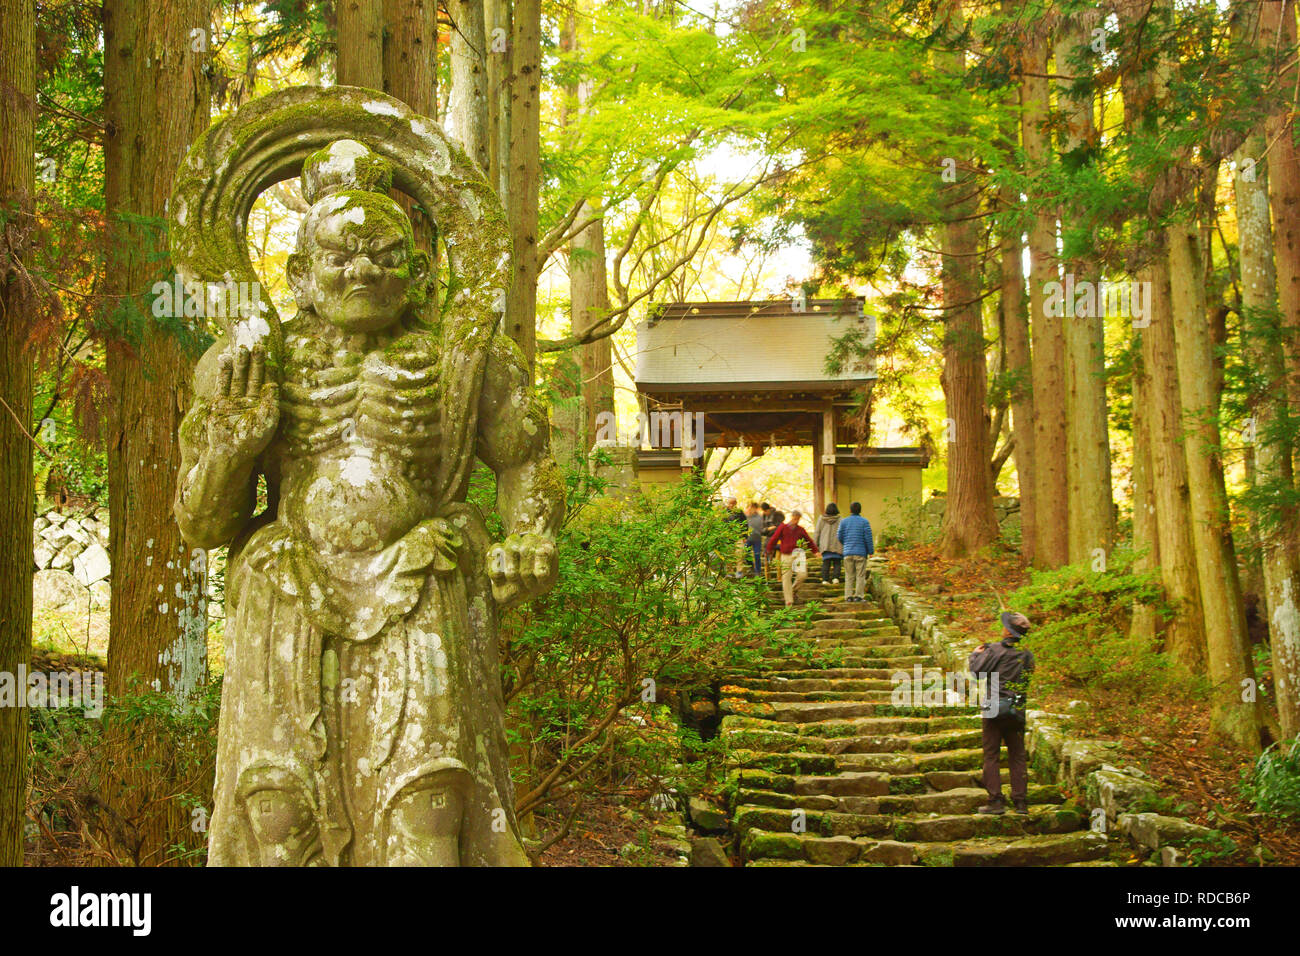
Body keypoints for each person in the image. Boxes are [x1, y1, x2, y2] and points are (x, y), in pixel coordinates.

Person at [968, 612, 1036, 815]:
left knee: (991, 755)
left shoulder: (996, 650)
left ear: (1008, 631)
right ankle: (1021, 802)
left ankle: (996, 801)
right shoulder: (1026, 654)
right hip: (1016, 709)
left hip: (994, 708)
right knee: (1017, 756)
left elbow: (976, 673)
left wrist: (974, 655)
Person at [765, 509, 819, 606]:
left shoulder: (801, 530)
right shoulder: (783, 527)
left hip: (798, 554)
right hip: (786, 555)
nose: (796, 520)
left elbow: (809, 541)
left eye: (798, 519)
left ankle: (792, 590)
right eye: (795, 518)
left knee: (802, 575)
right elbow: (774, 538)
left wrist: (815, 551)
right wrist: (769, 549)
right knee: (786, 577)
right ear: (792, 517)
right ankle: (789, 601)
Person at [836, 501, 874, 602]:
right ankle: (858, 596)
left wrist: (847, 543)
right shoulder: (864, 522)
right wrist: (870, 551)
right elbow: (868, 538)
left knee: (849, 575)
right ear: (860, 510)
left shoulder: (844, 522)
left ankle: (848, 596)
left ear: (850, 510)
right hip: (860, 553)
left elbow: (839, 536)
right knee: (860, 575)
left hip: (848, 552)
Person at [814, 503, 843, 584]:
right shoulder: (840, 519)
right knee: (837, 562)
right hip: (837, 544)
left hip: (825, 544)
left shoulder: (821, 518)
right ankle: (835, 578)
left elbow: (817, 532)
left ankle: (825, 579)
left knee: (826, 562)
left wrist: (815, 545)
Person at [724, 496, 747, 576]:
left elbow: (745, 524)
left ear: (736, 503)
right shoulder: (724, 512)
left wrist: (745, 536)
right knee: (729, 554)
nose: (731, 505)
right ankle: (729, 571)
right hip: (728, 537)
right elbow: (722, 524)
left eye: (733, 503)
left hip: (739, 536)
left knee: (739, 554)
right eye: (730, 503)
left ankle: (739, 571)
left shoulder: (740, 512)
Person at [744, 502, 765, 576]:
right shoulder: (746, 516)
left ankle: (758, 571)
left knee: (757, 555)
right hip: (748, 538)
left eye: (752, 507)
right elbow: (743, 526)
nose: (750, 509)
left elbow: (762, 527)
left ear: (756, 508)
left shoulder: (760, 517)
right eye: (750, 507)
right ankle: (751, 567)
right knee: (746, 553)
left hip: (757, 539)